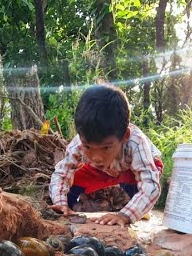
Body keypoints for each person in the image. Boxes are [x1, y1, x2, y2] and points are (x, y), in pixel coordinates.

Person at [48, 84, 164, 227]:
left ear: (125, 136)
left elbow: (150, 185)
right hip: (102, 171)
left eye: (106, 148)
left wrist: (125, 215)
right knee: (72, 178)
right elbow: (61, 174)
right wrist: (60, 203)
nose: (96, 157)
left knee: (140, 198)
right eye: (88, 147)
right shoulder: (78, 143)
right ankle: (67, 210)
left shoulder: (136, 142)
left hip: (131, 171)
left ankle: (134, 209)